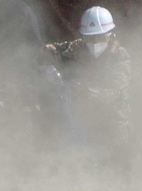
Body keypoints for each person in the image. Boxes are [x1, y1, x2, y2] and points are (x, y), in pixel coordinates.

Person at [44, 7, 132, 151]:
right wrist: (47, 52)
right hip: (84, 119)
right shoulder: (79, 46)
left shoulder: (120, 56)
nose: (95, 42)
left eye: (100, 37)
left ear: (109, 34)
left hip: (112, 120)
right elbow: (58, 49)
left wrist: (90, 92)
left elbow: (116, 90)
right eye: (90, 38)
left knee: (114, 157)